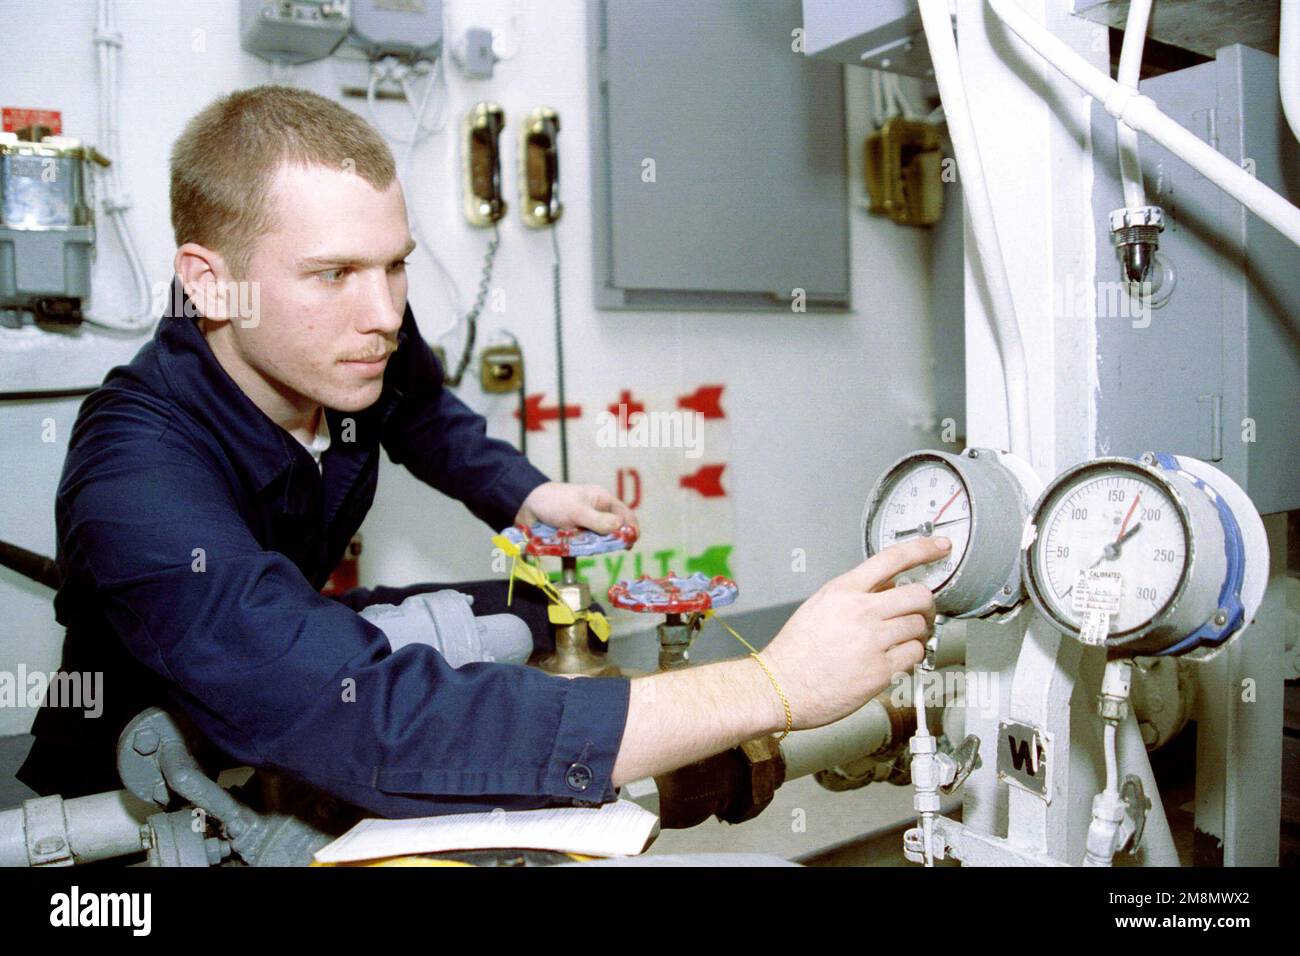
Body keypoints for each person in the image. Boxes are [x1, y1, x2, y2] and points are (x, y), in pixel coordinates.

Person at [17, 86, 943, 818]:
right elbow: (373, 718)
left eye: (397, 264)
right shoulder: (132, 479)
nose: (383, 315)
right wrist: (772, 687)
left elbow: (416, 409)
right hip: (132, 787)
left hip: (288, 638)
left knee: (536, 611)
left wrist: (527, 495)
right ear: (208, 283)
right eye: (333, 274)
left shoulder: (349, 342)